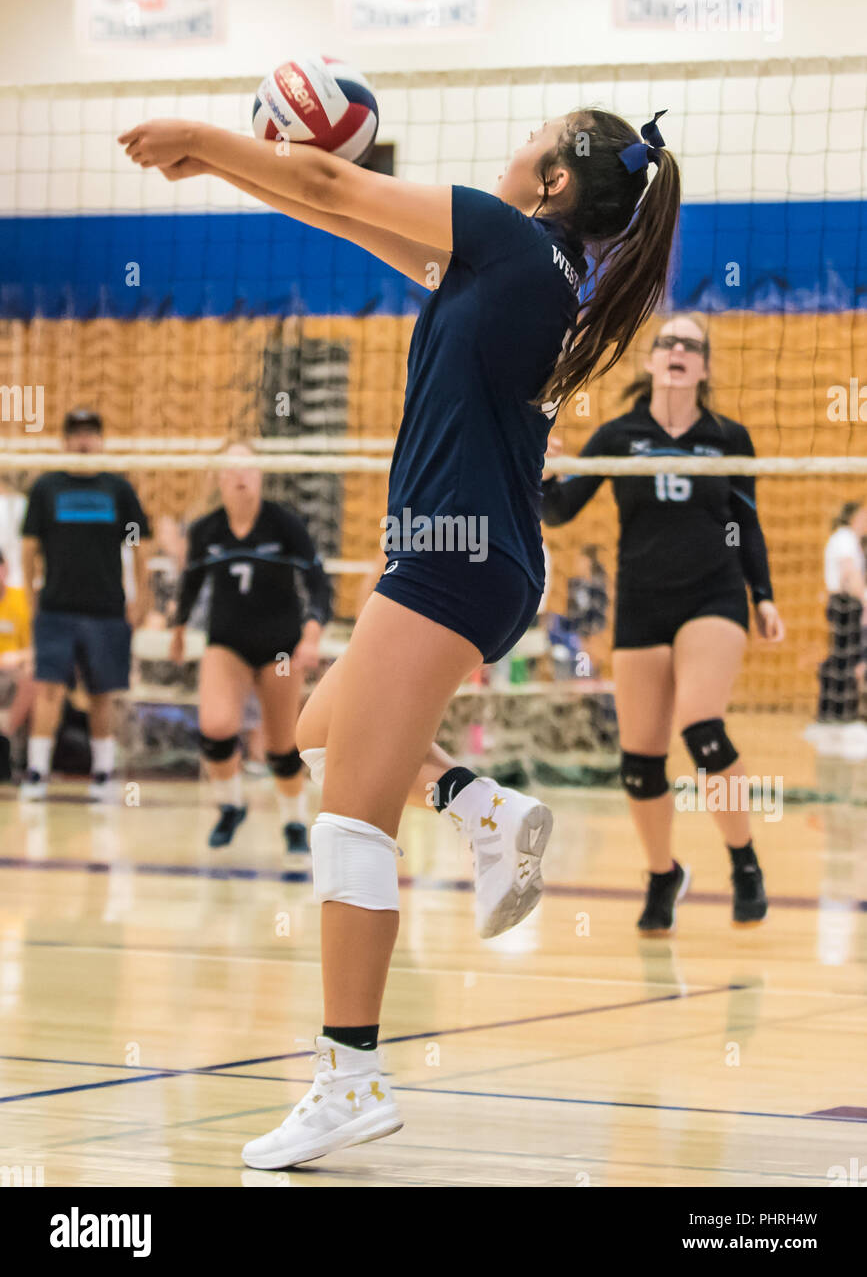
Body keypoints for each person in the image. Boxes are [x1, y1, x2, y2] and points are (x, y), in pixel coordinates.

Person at [120, 102, 681, 1168]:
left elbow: (334, 187)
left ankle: (350, 1077)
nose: (515, 141)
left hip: (451, 559)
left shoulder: (509, 241)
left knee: (346, 822)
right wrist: (226, 164)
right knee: (323, 729)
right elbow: (342, 215)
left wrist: (206, 132)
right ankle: (480, 807)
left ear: (556, 182)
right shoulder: (519, 266)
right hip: (476, 558)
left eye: (537, 135)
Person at [542, 314, 785, 935]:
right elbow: (562, 511)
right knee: (639, 760)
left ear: (703, 368)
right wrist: (536, 473)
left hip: (715, 593)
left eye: (691, 346)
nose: (678, 351)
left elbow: (748, 523)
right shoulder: (620, 436)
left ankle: (744, 860)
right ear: (652, 361)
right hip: (643, 601)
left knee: (702, 730)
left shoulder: (728, 436)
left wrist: (764, 596)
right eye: (668, 343)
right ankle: (661, 874)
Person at [170, 444, 332, 851]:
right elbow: (190, 583)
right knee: (216, 726)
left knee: (281, 744)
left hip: (280, 647)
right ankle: (230, 806)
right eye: (231, 469)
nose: (241, 476)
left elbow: (318, 583)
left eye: (249, 468)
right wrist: (179, 627)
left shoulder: (283, 524)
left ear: (261, 476)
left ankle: (294, 823)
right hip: (227, 643)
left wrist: (311, 634)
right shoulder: (207, 529)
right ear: (220, 479)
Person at [19, 408, 151, 801]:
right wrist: (31, 600)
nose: (83, 440)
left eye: (91, 433)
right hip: (57, 607)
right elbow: (29, 548)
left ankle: (103, 773)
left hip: (107, 609)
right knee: (49, 689)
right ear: (65, 440)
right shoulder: (46, 489)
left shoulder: (118, 489)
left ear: (101, 439)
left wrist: (143, 594)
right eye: (76, 433)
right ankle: (37, 771)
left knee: (101, 692)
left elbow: (141, 543)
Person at [817, 501, 867, 729]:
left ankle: (834, 710)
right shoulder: (846, 537)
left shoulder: (845, 538)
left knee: (842, 656)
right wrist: (864, 601)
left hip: (842, 601)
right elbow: (849, 573)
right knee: (846, 657)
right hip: (846, 602)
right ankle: (839, 711)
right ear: (854, 517)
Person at [0, 548, 33, 780]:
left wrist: (18, 658)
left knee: (35, 675)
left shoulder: (22, 600)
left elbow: (37, 648)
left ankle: (5, 740)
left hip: (13, 672)